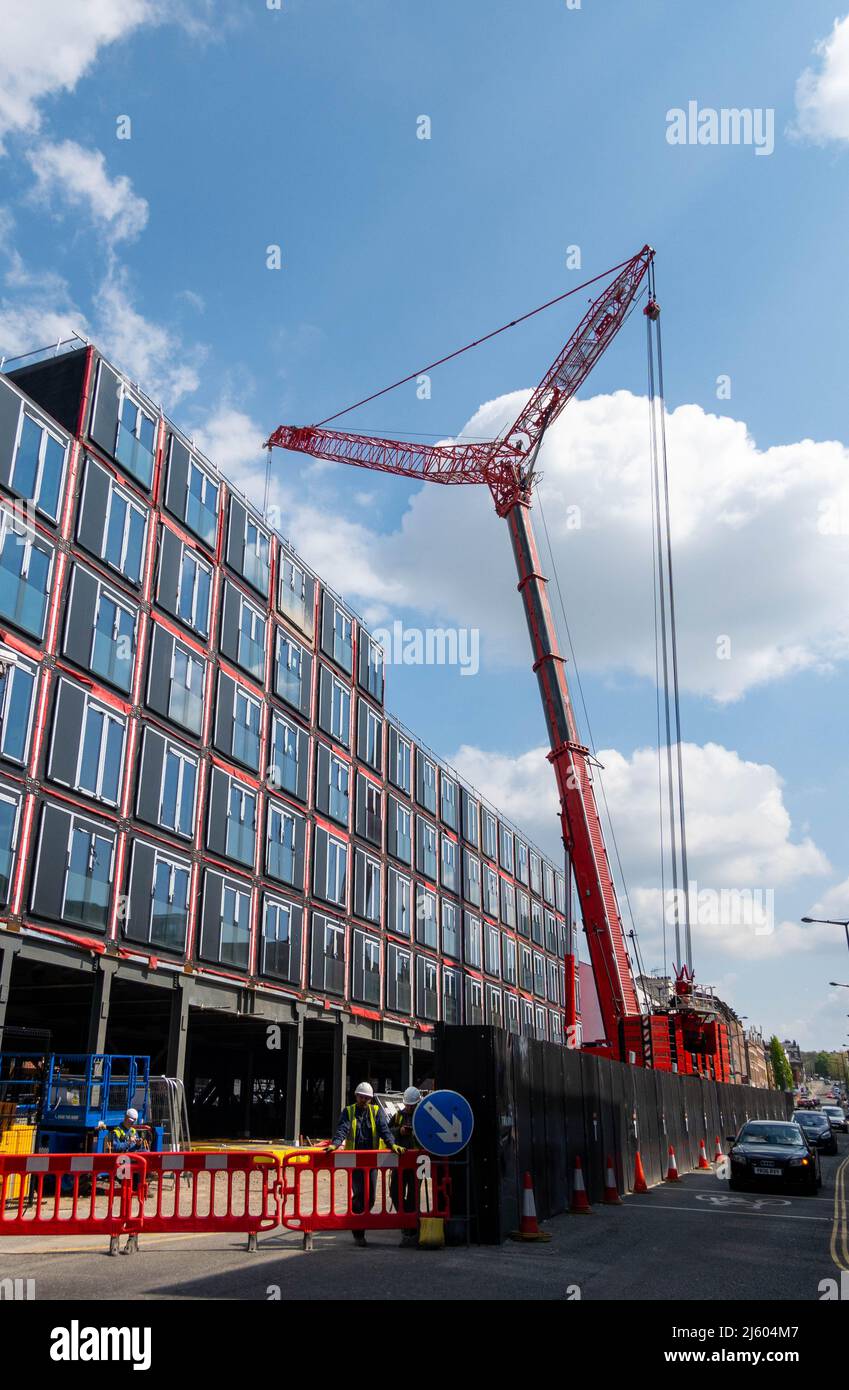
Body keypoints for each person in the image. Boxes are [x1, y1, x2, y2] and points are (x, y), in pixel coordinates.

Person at [327, 1082, 401, 1246]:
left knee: (371, 1197)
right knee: (360, 1195)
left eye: (367, 1098)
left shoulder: (376, 1111)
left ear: (370, 1099)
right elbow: (343, 1129)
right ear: (356, 1096)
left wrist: (392, 1144)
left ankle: (358, 1221)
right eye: (361, 1097)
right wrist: (336, 1143)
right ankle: (358, 1232)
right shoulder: (348, 1111)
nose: (364, 1100)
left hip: (372, 1160)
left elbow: (384, 1130)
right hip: (354, 1160)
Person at [390, 1086, 422, 1247]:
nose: (409, 1108)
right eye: (407, 1105)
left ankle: (410, 1225)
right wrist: (399, 1131)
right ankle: (406, 1220)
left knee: (413, 1195)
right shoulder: (398, 1115)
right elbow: (387, 1131)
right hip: (400, 1161)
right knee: (395, 1192)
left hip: (418, 1162)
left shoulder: (424, 1115)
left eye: (412, 1105)